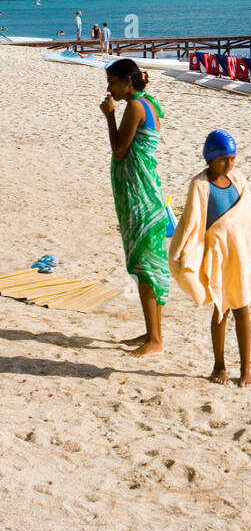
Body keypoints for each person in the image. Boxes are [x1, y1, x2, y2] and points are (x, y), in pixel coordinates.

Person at [169, 130, 251, 387]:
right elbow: (192, 222)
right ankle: (219, 365)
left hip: (239, 253)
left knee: (242, 308)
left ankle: (245, 368)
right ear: (210, 158)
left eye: (232, 158)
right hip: (217, 255)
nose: (229, 164)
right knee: (220, 309)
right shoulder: (200, 185)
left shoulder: (238, 180)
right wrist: (183, 253)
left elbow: (249, 215)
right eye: (223, 159)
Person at [100, 59, 170, 356]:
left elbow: (119, 151)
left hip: (141, 194)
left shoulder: (135, 107)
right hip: (146, 189)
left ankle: (155, 340)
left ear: (128, 81)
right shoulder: (150, 102)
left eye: (113, 82)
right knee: (147, 265)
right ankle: (151, 332)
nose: (109, 88)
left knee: (145, 266)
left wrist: (109, 117)